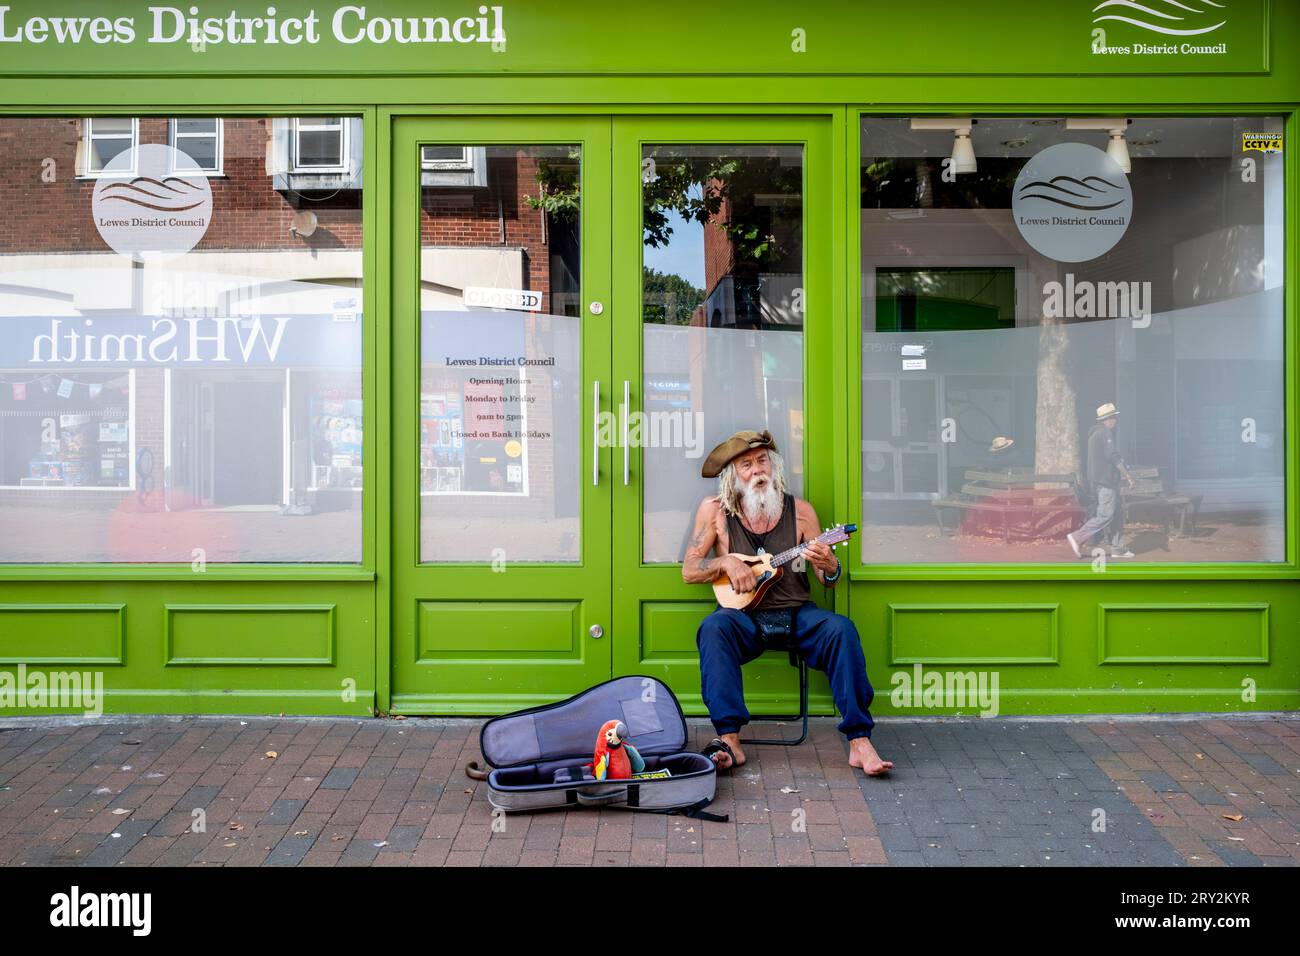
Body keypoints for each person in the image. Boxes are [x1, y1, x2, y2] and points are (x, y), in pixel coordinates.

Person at [681, 428, 892, 777]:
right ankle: (729, 739)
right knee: (713, 629)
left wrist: (831, 566)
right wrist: (725, 562)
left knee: (841, 630)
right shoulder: (715, 512)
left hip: (797, 615)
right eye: (746, 464)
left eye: (762, 461)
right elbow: (690, 570)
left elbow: (827, 578)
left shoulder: (802, 512)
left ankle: (859, 740)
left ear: (774, 465)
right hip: (742, 616)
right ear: (733, 474)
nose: (756, 470)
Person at [1067, 403, 1136, 558]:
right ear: (1106, 419)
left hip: (1099, 482)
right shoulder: (1105, 433)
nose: (1115, 420)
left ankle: (1118, 548)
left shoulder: (1094, 434)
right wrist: (1128, 475)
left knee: (1117, 515)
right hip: (1107, 482)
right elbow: (1113, 456)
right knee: (1105, 515)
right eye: (1113, 417)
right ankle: (1077, 537)